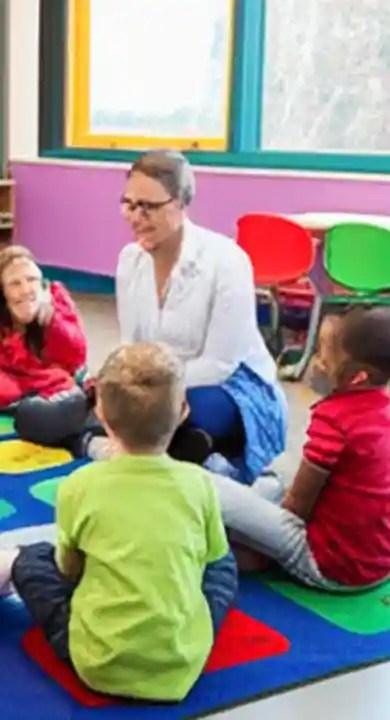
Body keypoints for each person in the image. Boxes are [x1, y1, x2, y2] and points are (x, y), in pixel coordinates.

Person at [0, 342, 238, 702]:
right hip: (182, 664)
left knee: (31, 559)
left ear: (100, 413)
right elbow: (211, 559)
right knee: (223, 562)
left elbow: (68, 570)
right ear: (183, 412)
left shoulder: (79, 485)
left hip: (97, 663)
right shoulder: (200, 483)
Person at [111, 150, 286, 480]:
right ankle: (196, 461)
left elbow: (220, 365)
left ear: (180, 202)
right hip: (154, 380)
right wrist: (119, 383)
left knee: (159, 423)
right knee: (104, 407)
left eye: (148, 207)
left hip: (228, 385)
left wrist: (149, 389)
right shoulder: (129, 259)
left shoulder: (227, 261)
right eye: (129, 204)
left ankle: (219, 468)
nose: (135, 217)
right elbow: (130, 345)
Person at [211, 308, 390, 590]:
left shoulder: (336, 420)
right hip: (385, 559)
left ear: (357, 377)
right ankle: (245, 534)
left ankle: (243, 545)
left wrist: (258, 528)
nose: (317, 365)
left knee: (209, 485)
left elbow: (296, 508)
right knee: (282, 467)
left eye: (325, 358)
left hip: (329, 566)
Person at [0, 246, 94, 449]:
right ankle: (87, 439)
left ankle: (89, 435)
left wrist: (52, 320)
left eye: (32, 279)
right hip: (30, 403)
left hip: (66, 390)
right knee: (32, 415)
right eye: (15, 283)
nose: (26, 289)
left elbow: (76, 357)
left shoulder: (56, 300)